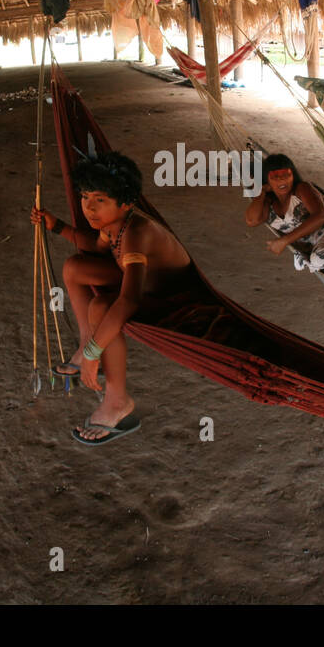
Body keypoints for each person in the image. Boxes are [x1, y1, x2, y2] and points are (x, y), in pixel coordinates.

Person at [31, 151, 194, 446]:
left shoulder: (136, 233)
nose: (88, 208)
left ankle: (118, 401)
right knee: (74, 267)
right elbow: (95, 246)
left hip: (171, 298)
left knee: (102, 306)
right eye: (84, 197)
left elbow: (128, 301)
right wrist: (54, 225)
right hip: (143, 280)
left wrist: (96, 354)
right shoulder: (114, 223)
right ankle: (84, 343)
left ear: (126, 202)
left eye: (100, 200)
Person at [244, 153, 324, 274]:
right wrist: (260, 192)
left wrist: (285, 240)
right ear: (267, 181)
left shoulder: (301, 189)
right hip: (314, 247)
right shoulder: (267, 203)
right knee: (313, 259)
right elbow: (252, 221)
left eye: (286, 175)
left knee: (318, 260)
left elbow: (321, 216)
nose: (282, 180)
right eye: (275, 177)